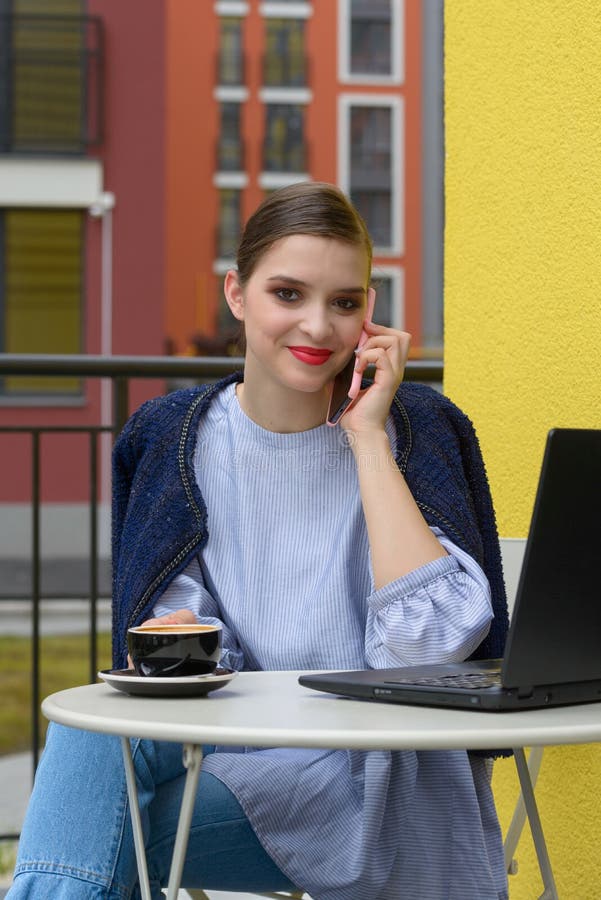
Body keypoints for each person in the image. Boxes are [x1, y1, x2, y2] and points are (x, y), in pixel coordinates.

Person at [9, 182, 509, 899]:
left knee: (99, 834)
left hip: (371, 780)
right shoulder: (172, 437)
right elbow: (193, 650)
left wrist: (367, 436)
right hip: (231, 746)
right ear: (236, 295)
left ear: (368, 313)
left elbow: (423, 648)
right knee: (93, 733)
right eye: (287, 294)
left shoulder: (414, 430)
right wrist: (178, 633)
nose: (316, 327)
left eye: (343, 302)